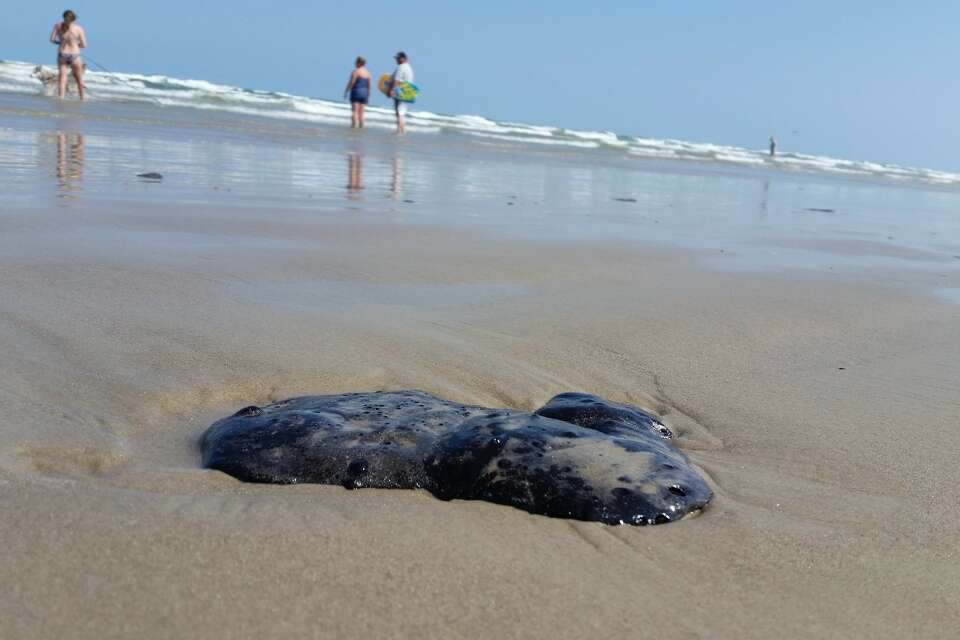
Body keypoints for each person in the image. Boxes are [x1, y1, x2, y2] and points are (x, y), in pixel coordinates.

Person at [49, 9, 87, 100]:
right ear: (73, 19)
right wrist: (76, 45)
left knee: (62, 78)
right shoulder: (79, 29)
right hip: (75, 55)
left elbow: (52, 40)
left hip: (63, 54)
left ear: (63, 17)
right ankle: (83, 98)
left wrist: (60, 42)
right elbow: (84, 45)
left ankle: (61, 98)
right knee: (79, 79)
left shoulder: (57, 26)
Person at [388, 51, 414, 134]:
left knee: (399, 113)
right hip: (407, 93)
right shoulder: (409, 68)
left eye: (398, 58)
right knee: (402, 112)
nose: (396, 60)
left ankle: (399, 131)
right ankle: (403, 131)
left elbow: (397, 81)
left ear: (403, 58)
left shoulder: (401, 67)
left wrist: (391, 90)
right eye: (396, 58)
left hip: (400, 92)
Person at [343, 56, 372, 128]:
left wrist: (346, 90)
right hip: (364, 94)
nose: (355, 63)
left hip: (356, 92)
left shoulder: (356, 71)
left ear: (359, 63)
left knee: (355, 112)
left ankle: (353, 127)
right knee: (361, 114)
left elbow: (352, 82)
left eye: (356, 62)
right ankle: (361, 128)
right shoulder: (368, 73)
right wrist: (368, 96)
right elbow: (369, 86)